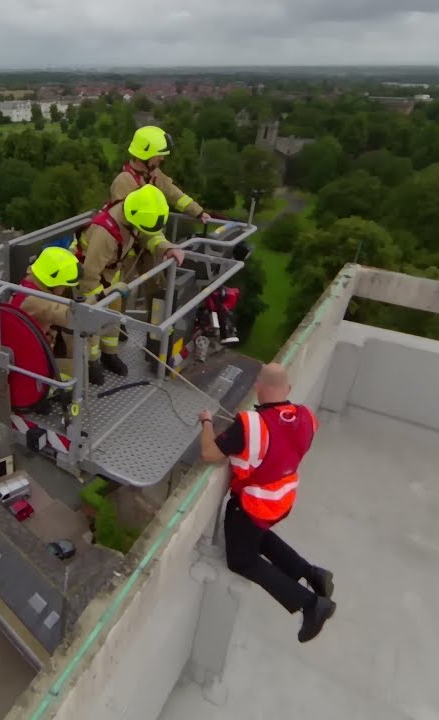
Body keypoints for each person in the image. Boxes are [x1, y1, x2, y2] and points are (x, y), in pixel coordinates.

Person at [196, 363, 336, 643]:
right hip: (282, 501)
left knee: (242, 560)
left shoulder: (250, 424)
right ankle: (312, 573)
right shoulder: (307, 417)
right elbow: (282, 440)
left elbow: (210, 453)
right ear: (289, 389)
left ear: (258, 387)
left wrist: (207, 422)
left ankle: (311, 605)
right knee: (257, 537)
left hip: (251, 505)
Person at [73, 184, 186, 382]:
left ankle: (109, 353)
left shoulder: (134, 215)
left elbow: (149, 234)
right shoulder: (105, 233)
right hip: (87, 277)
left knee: (114, 315)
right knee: (93, 321)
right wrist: (102, 298)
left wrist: (166, 248)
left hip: (109, 276)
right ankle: (91, 362)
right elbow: (89, 275)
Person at [11, 246, 83, 410]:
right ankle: (41, 395)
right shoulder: (38, 301)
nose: (64, 290)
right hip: (29, 364)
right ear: (52, 281)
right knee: (75, 369)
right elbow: (72, 318)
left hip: (24, 354)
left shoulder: (30, 282)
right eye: (63, 285)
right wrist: (103, 296)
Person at [111, 125, 212, 225]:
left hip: (150, 231)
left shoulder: (154, 174)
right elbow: (120, 220)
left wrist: (198, 212)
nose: (162, 158)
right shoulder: (123, 182)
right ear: (146, 154)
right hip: (136, 236)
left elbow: (175, 195)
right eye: (159, 154)